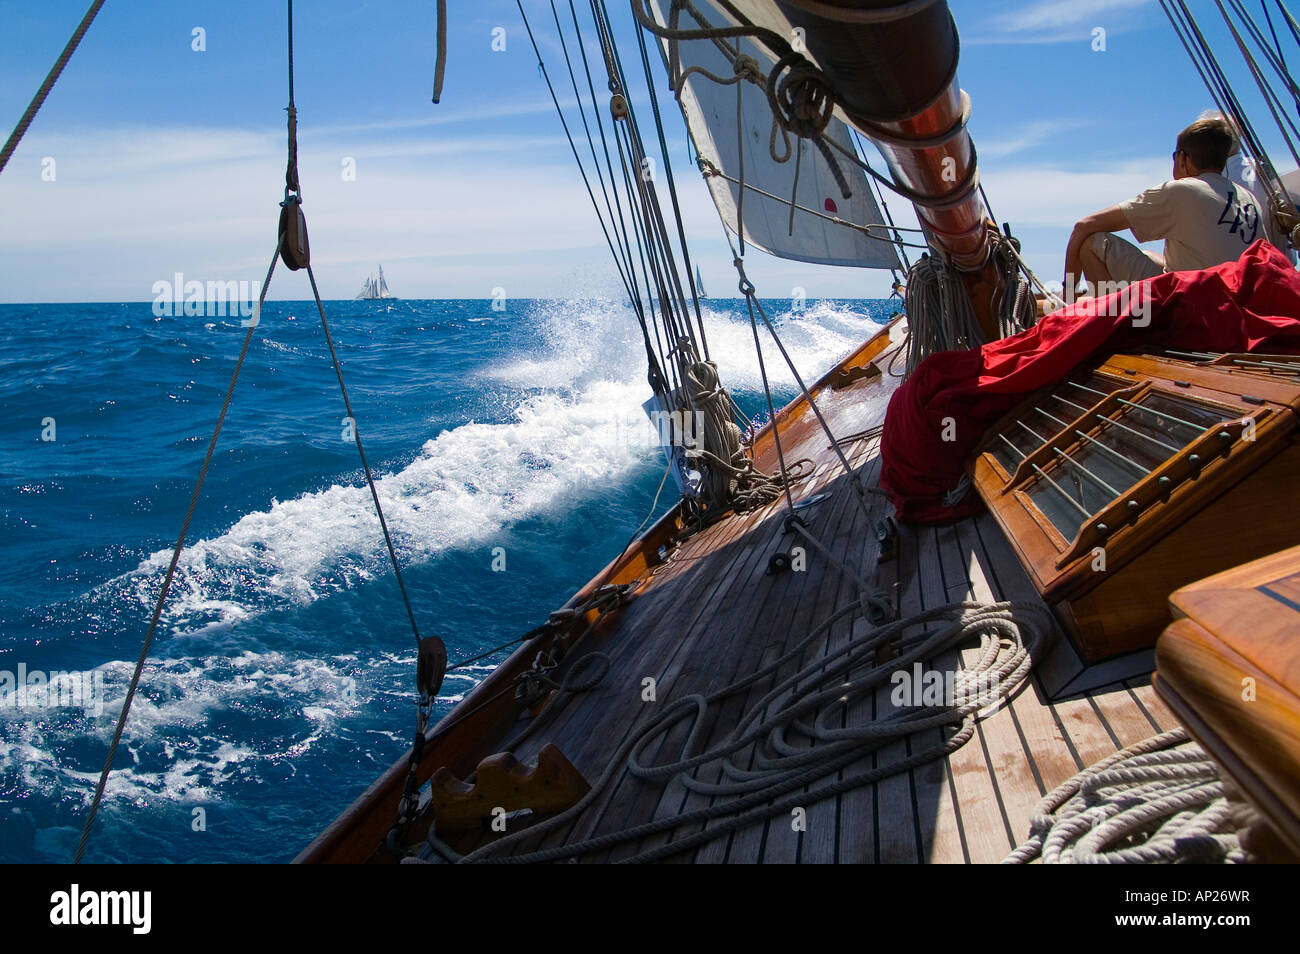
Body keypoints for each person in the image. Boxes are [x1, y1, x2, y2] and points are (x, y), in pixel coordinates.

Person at [1063, 116, 1272, 295]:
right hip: (1235, 297)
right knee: (1148, 255)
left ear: (1182, 158)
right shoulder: (1247, 197)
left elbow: (1084, 226)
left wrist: (1069, 291)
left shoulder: (1181, 190)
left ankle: (1111, 322)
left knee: (1092, 243)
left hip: (1192, 301)